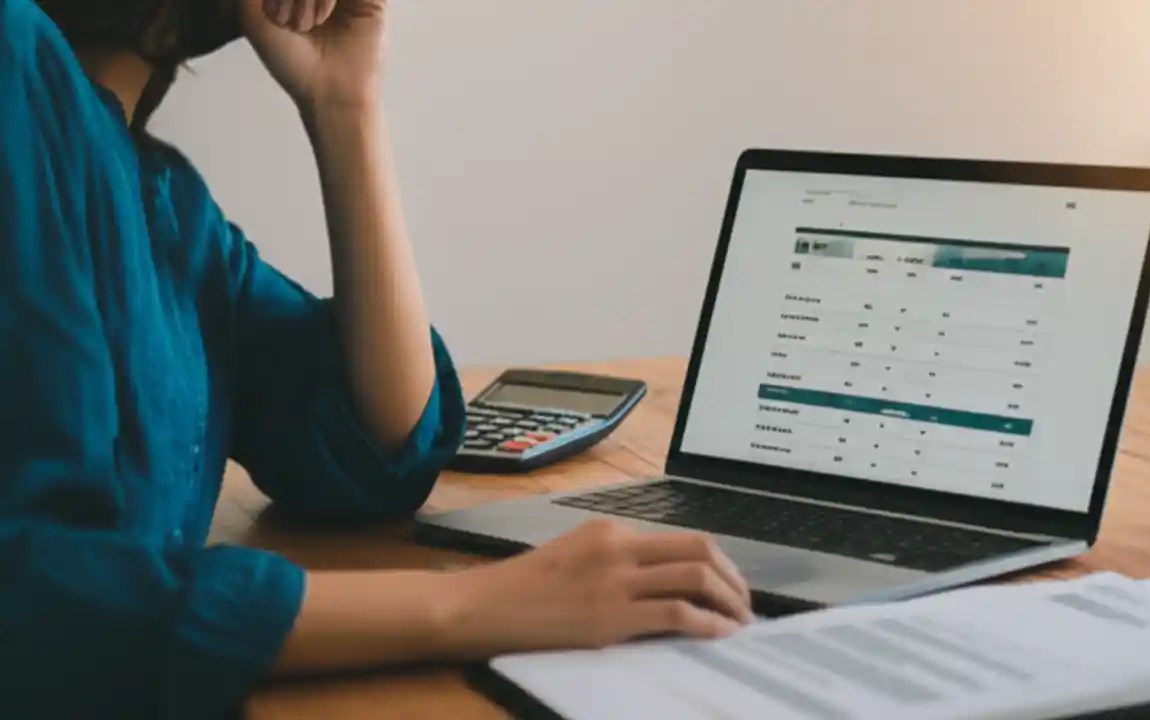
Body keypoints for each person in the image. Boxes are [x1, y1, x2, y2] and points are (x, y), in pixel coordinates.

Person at [0, 0, 753, 716]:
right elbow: (31, 595)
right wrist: (482, 606)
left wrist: (345, 105)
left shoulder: (172, 212)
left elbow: (376, 449)